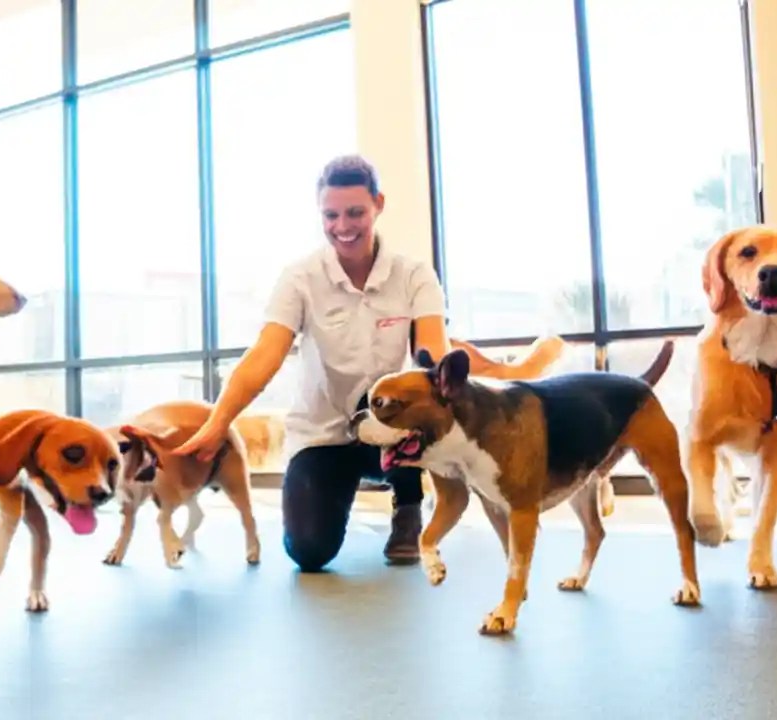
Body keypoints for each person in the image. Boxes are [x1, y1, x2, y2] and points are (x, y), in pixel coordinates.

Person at [172, 154, 563, 572]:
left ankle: (408, 500)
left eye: (356, 212)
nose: (343, 226)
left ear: (378, 203)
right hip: (324, 435)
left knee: (423, 413)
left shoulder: (414, 275)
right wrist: (216, 425)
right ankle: (351, 491)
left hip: (392, 428)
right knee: (308, 552)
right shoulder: (299, 278)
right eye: (331, 215)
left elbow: (431, 356)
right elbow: (263, 356)